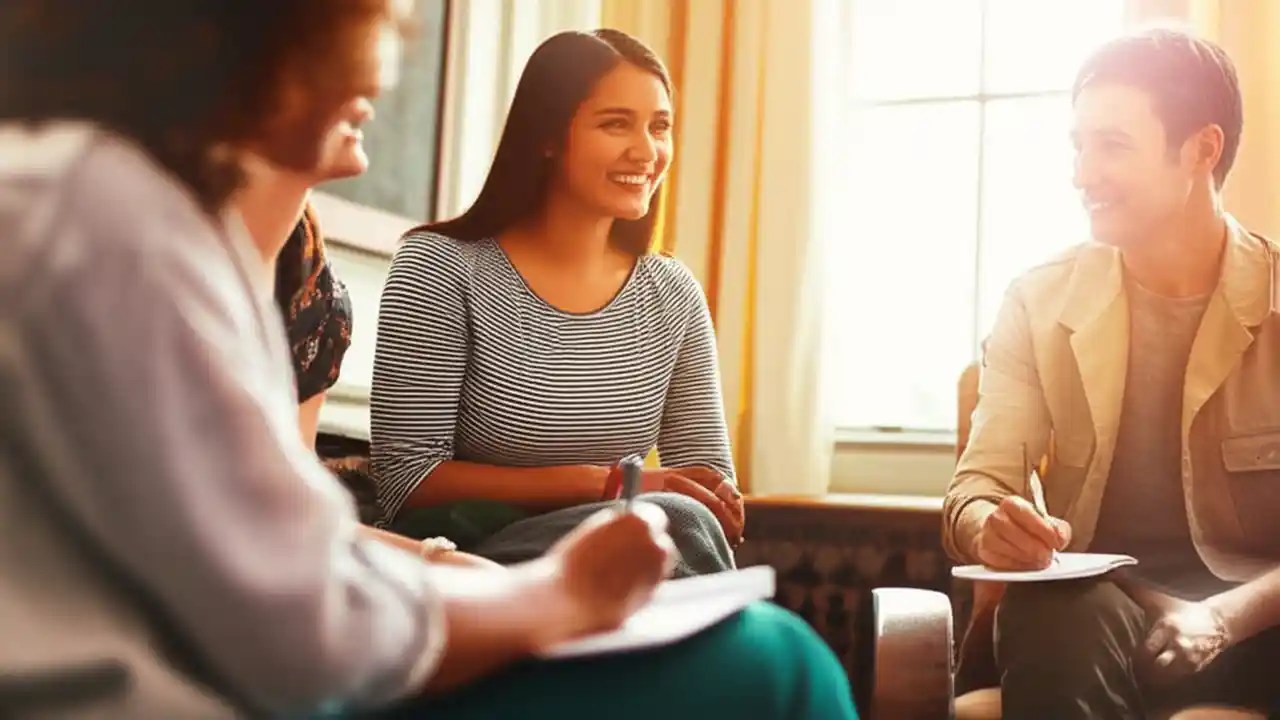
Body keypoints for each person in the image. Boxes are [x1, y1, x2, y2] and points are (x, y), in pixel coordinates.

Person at [0, 3, 858, 718]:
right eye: (364, 23)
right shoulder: (113, 222)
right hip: (390, 604)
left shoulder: (148, 226)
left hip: (349, 619)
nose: (384, 69)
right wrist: (554, 589)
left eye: (659, 126)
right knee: (777, 662)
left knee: (700, 555)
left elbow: (274, 553)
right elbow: (309, 610)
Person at [943, 29, 1280, 720]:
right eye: (1079, 145)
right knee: (1050, 610)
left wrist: (1222, 619)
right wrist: (990, 527)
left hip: (1259, 621)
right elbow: (976, 488)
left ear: (1202, 150)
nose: (1082, 173)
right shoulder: (1038, 300)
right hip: (1098, 617)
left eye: (1112, 145)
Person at [369, 29, 744, 577]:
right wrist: (612, 484)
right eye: (616, 124)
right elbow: (408, 480)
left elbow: (703, 482)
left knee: (682, 521)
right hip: (474, 563)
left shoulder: (673, 294)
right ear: (546, 136)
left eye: (659, 126)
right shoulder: (440, 267)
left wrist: (717, 495)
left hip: (618, 563)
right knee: (673, 518)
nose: (647, 151)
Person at [237, 96, 492, 568]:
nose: (366, 106)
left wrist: (440, 561)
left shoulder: (311, 281)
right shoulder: (161, 252)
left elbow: (289, 506)